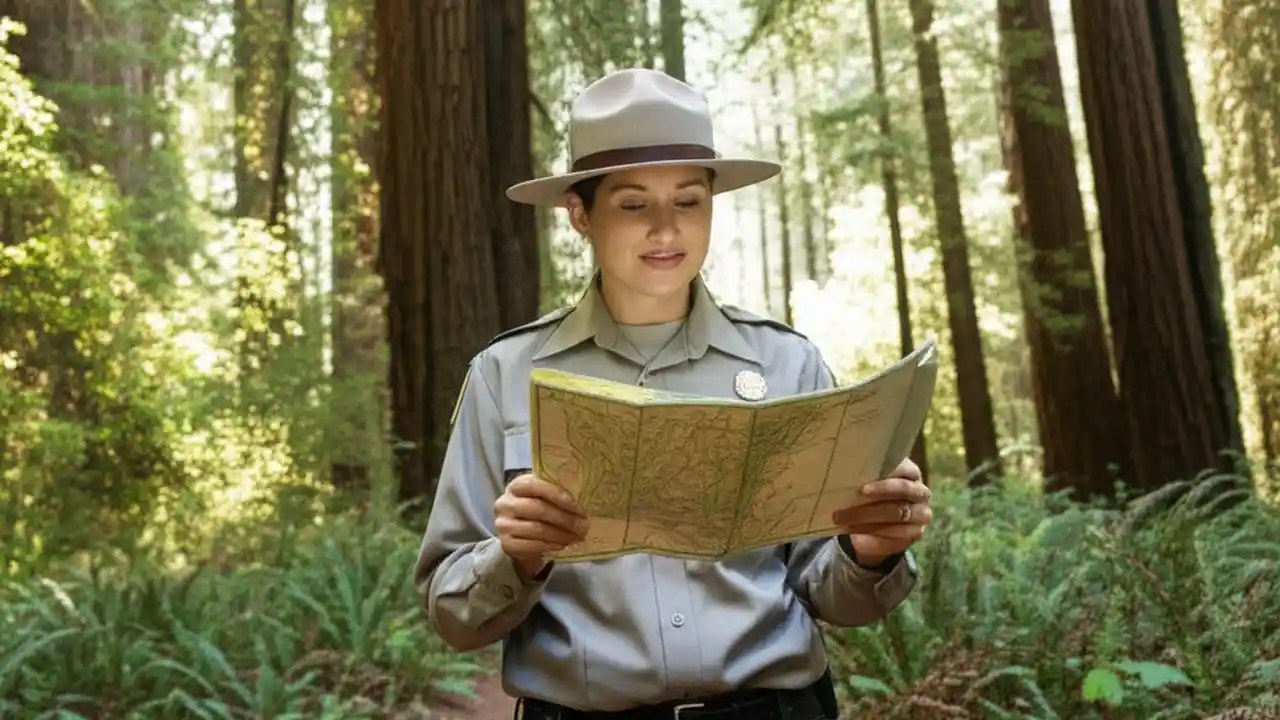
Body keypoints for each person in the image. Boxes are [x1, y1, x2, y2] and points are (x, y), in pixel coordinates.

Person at [414, 68, 933, 720]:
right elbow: (452, 615)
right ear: (580, 214)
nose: (666, 229)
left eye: (688, 201)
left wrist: (871, 550)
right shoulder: (506, 374)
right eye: (634, 204)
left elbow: (836, 598)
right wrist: (516, 556)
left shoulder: (787, 363)